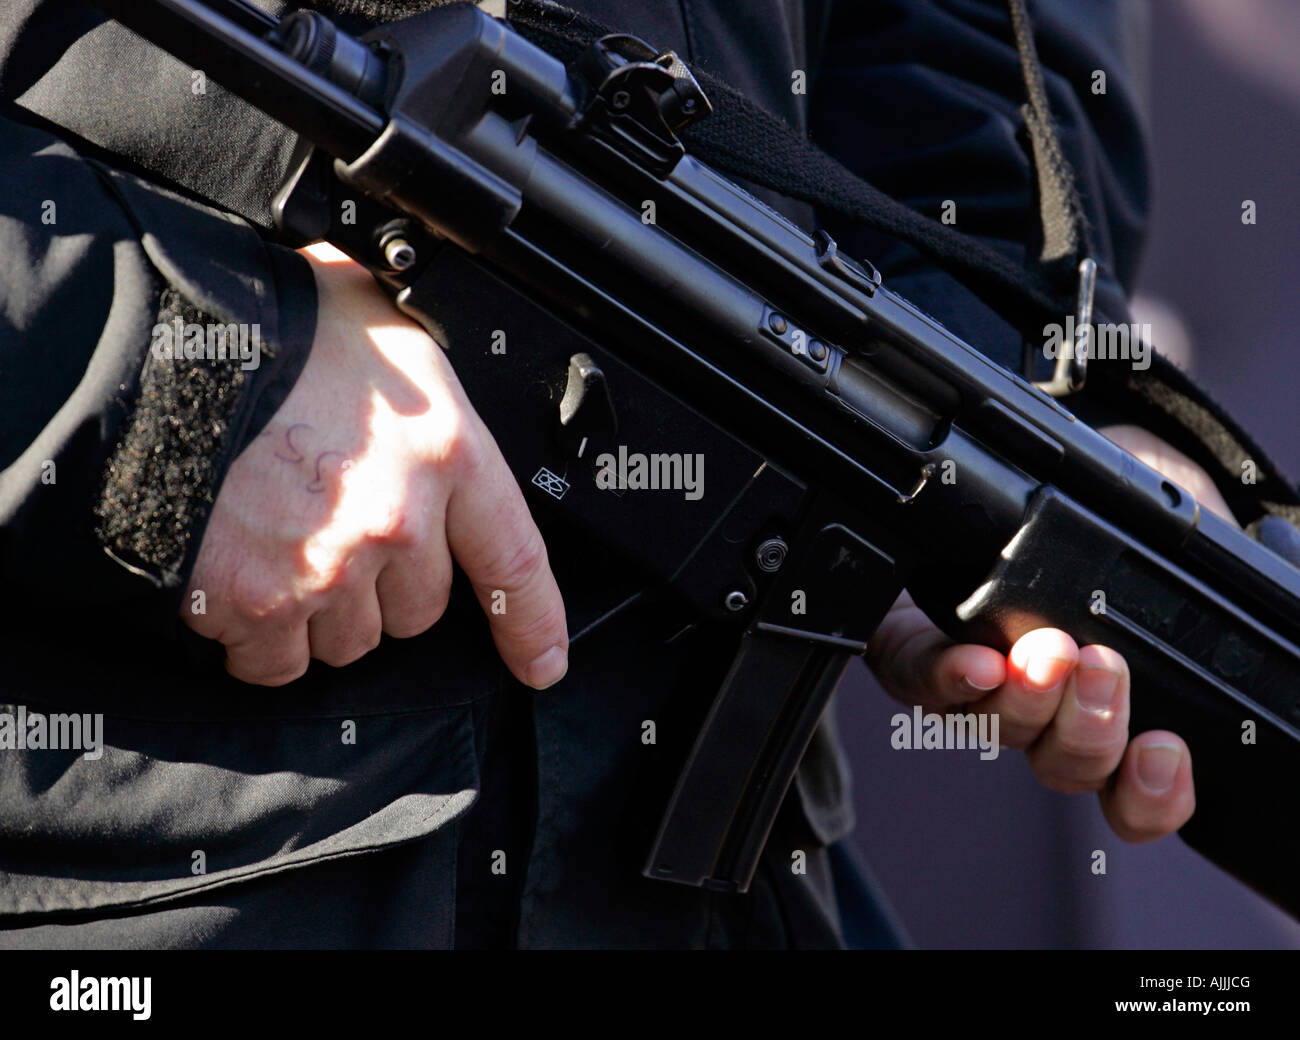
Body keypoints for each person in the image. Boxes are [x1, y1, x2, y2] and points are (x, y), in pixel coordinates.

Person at [0, 0, 1227, 948]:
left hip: (720, 859)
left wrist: (1001, 397)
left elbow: (939, 55)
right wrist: (175, 379)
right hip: (161, 849)